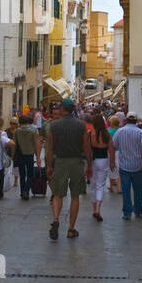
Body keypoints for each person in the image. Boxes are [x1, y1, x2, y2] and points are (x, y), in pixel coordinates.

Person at [46, 98, 92, 240]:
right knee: (75, 196)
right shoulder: (81, 125)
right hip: (76, 162)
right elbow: (86, 146)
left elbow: (50, 148)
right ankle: (71, 229)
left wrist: (48, 166)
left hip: (60, 161)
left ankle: (56, 219)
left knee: (58, 194)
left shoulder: (54, 126)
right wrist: (89, 164)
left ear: (62, 109)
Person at [112, 113, 142, 221]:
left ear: (126, 120)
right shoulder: (141, 133)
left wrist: (112, 161)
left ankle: (127, 213)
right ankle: (138, 209)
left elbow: (113, 146)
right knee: (138, 189)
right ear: (136, 121)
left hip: (124, 165)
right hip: (137, 164)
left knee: (126, 190)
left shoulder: (120, 132)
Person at [86, 113, 114, 223]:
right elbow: (111, 150)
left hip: (93, 161)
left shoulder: (90, 134)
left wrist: (87, 164)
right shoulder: (107, 135)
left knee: (93, 185)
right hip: (103, 161)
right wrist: (112, 163)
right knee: (100, 185)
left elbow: (88, 149)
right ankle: (98, 207)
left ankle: (94, 208)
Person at [12, 114, 42, 200]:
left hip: (20, 154)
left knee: (22, 174)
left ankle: (22, 192)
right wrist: (38, 156)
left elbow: (14, 144)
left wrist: (13, 155)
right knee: (30, 174)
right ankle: (26, 190)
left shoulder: (16, 131)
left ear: (20, 122)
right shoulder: (32, 132)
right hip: (29, 154)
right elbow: (35, 144)